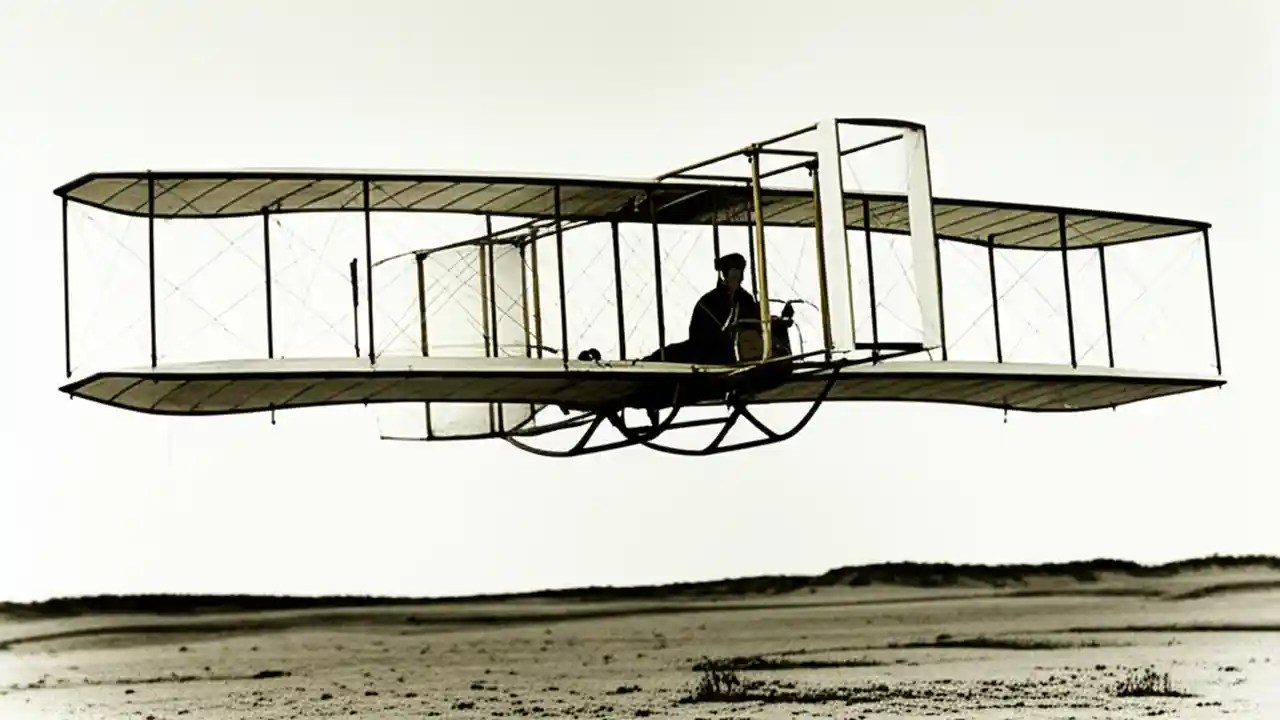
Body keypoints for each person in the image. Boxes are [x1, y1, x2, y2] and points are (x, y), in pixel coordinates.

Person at [642, 252, 760, 365]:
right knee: (672, 353)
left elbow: (754, 327)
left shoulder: (746, 299)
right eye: (733, 275)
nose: (736, 279)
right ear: (725, 275)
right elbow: (698, 336)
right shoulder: (709, 301)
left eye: (739, 275)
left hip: (740, 351)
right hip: (709, 352)